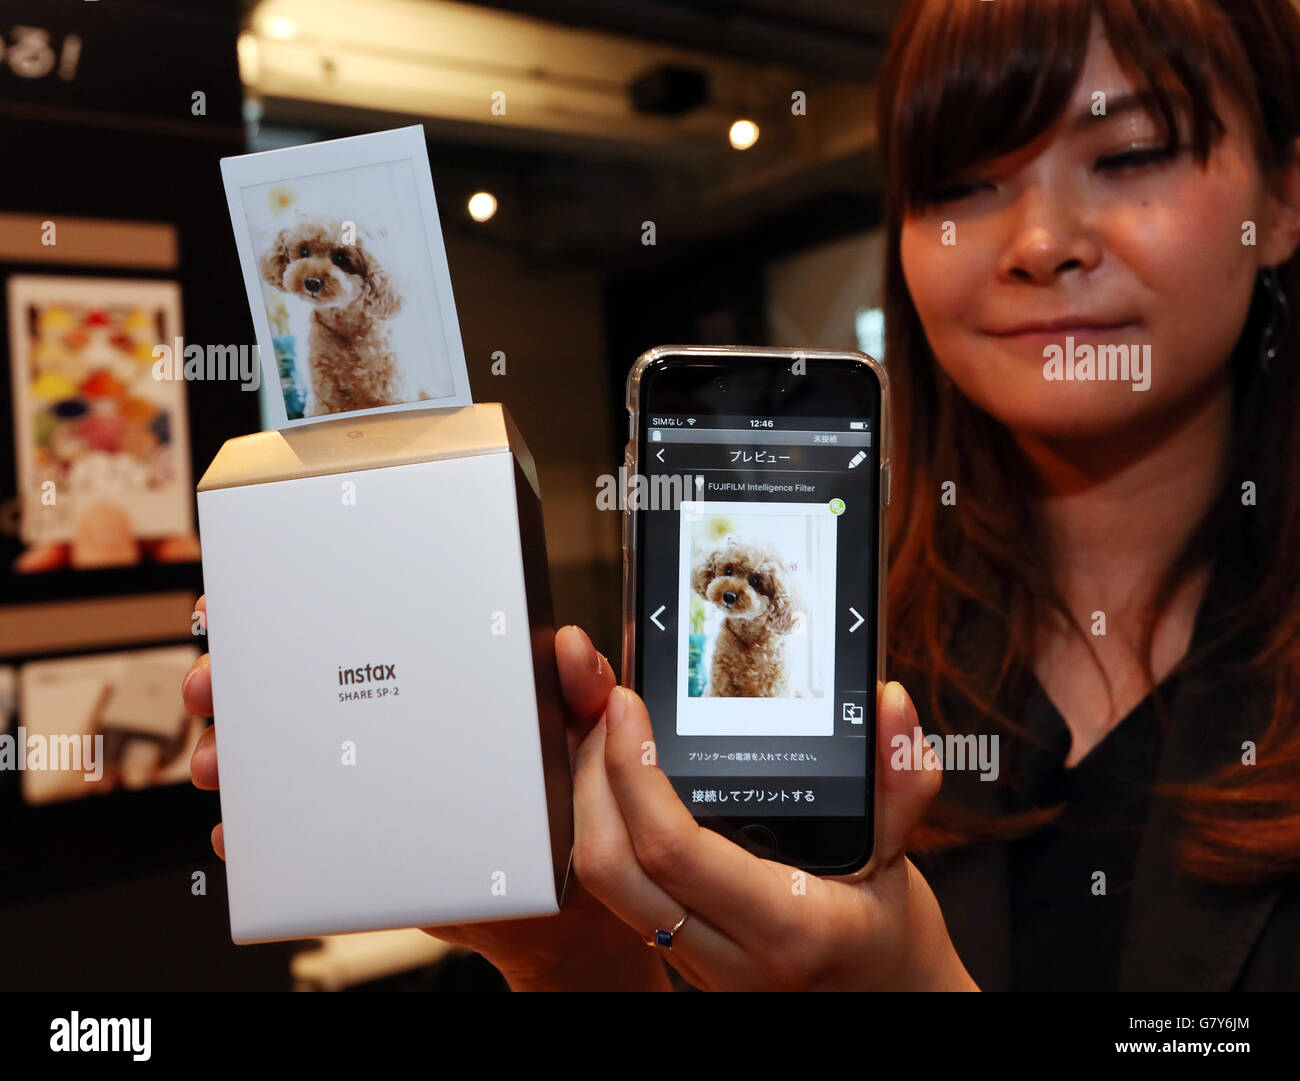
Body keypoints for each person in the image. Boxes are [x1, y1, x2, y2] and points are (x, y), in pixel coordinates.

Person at [182, 0, 1300, 990]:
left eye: (1131, 153)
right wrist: (573, 951)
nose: (1040, 243)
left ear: (1284, 195)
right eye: (960, 184)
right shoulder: (855, 666)